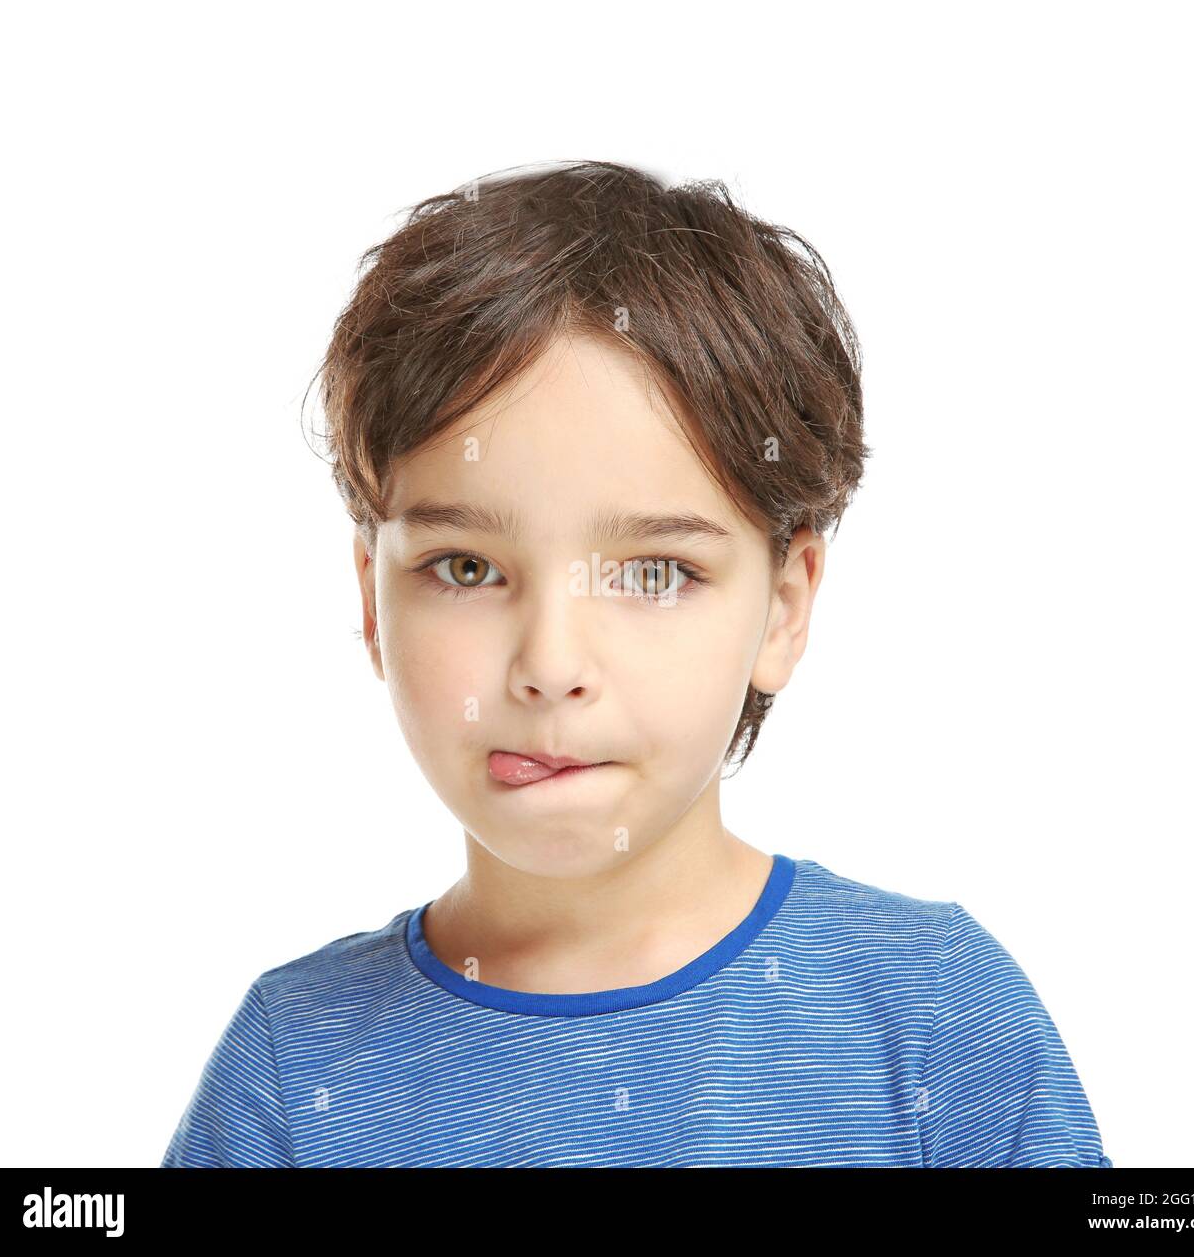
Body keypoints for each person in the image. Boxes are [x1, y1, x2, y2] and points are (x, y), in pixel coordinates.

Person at [161, 160, 1111, 1168]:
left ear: (783, 607)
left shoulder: (936, 1018)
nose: (550, 665)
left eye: (655, 573)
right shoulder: (292, 1066)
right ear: (371, 603)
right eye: (468, 567)